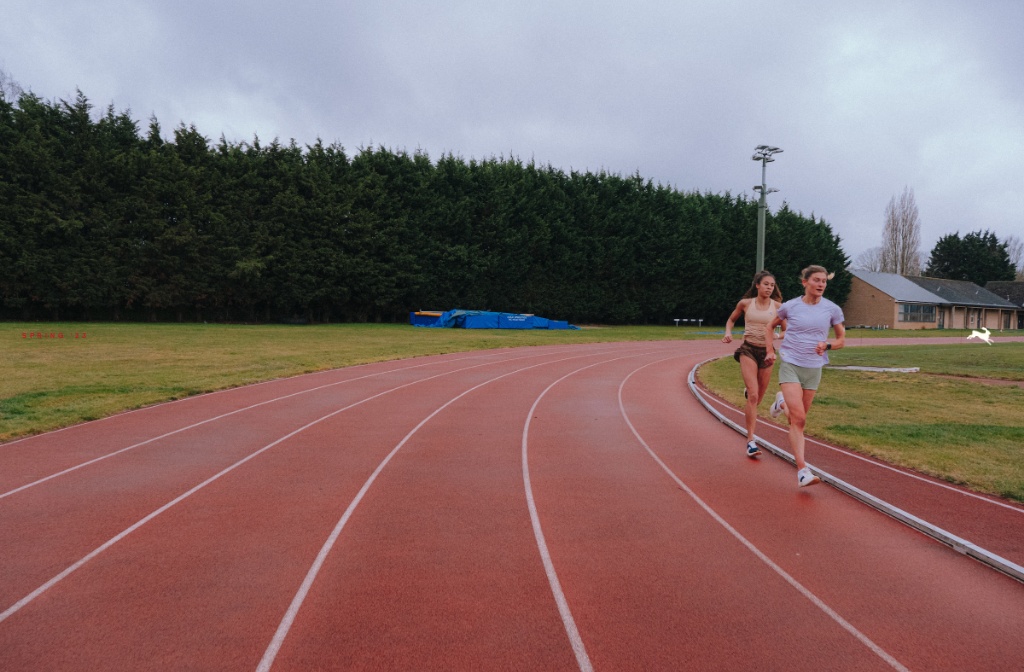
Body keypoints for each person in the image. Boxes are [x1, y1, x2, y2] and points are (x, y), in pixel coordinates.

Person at [764, 265, 845, 487]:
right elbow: (770, 327)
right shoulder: (790, 306)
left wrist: (827, 344)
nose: (821, 285)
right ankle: (802, 470)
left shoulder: (832, 309)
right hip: (790, 363)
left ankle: (781, 402)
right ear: (805, 282)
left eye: (824, 281)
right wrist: (770, 350)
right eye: (816, 280)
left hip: (814, 368)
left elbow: (840, 340)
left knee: (796, 419)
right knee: (799, 419)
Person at [722, 270, 785, 458]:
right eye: (766, 284)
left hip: (767, 353)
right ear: (757, 285)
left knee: (758, 397)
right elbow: (731, 320)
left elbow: (786, 331)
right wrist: (728, 332)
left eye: (772, 285)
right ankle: (750, 441)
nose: (769, 288)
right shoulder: (745, 303)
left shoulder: (778, 307)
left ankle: (754, 395)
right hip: (748, 349)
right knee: (754, 396)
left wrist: (777, 335)